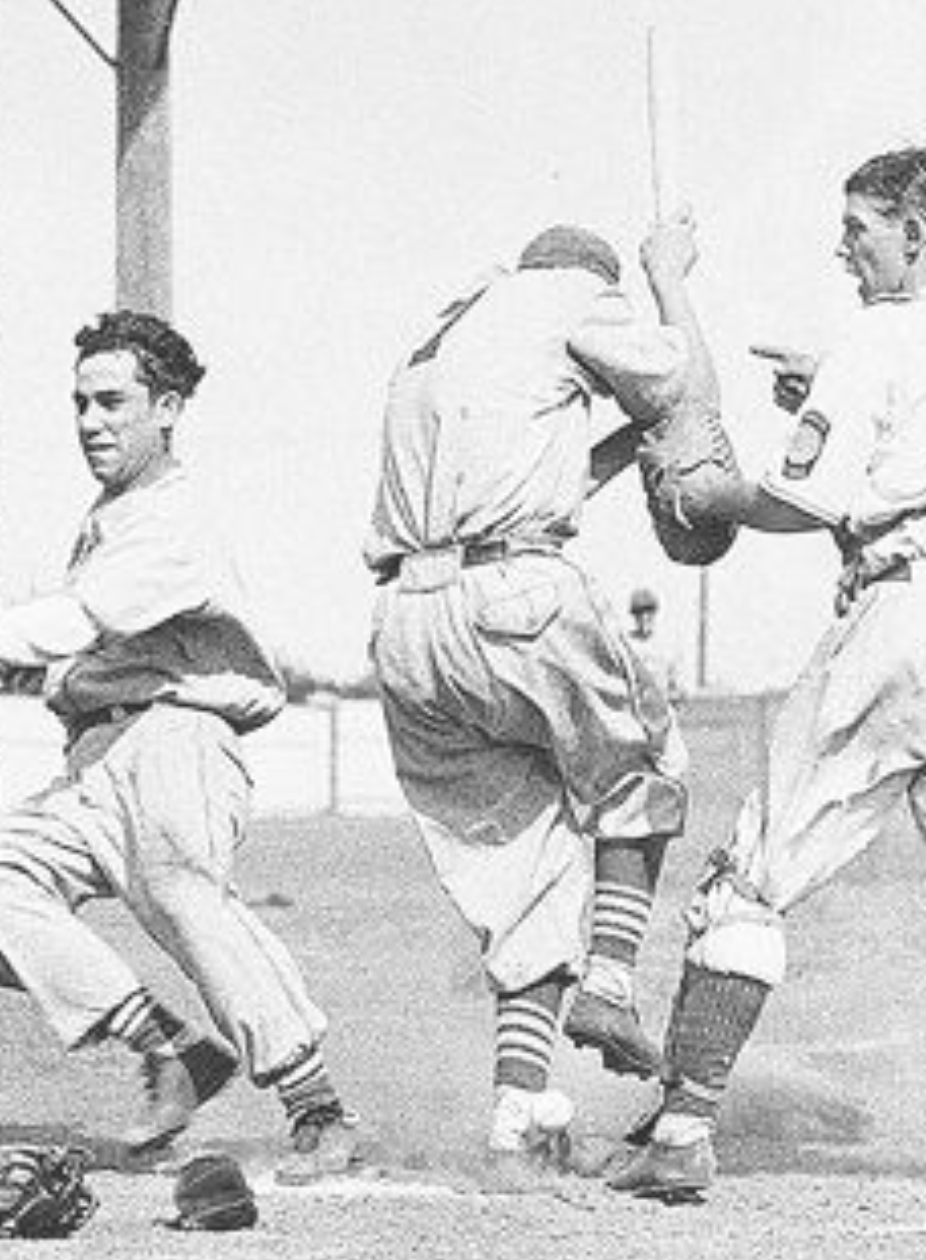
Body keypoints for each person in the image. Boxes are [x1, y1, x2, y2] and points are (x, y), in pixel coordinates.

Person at [606, 147, 926, 1200]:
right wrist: (844, 412)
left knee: (751, 875)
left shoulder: (880, 331)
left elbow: (796, 502)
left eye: (859, 229)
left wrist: (708, 494)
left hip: (908, 610)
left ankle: (677, 1134)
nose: (843, 250)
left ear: (916, 230)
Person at [0, 311, 365, 1185]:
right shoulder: (114, 514)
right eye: (81, 404)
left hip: (177, 738)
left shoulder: (175, 517)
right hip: (97, 758)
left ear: (168, 408)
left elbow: (74, 620)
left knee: (186, 902)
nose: (91, 422)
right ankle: (172, 1049)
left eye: (113, 402)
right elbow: (73, 636)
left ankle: (317, 1106)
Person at [363, 220, 712, 1189]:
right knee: (643, 773)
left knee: (518, 876)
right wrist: (666, 278)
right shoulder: (571, 294)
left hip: (405, 620)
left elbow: (523, 471)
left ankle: (515, 1119)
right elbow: (672, 377)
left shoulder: (448, 327)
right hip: (510, 593)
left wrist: (615, 448)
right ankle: (605, 979)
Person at [623, 588, 686, 702]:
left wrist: (665, 696)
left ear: (654, 613)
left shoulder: (668, 646)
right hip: (633, 710)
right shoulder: (626, 644)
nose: (644, 618)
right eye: (639, 613)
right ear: (634, 616)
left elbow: (679, 688)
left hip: (661, 711)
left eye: (648, 612)